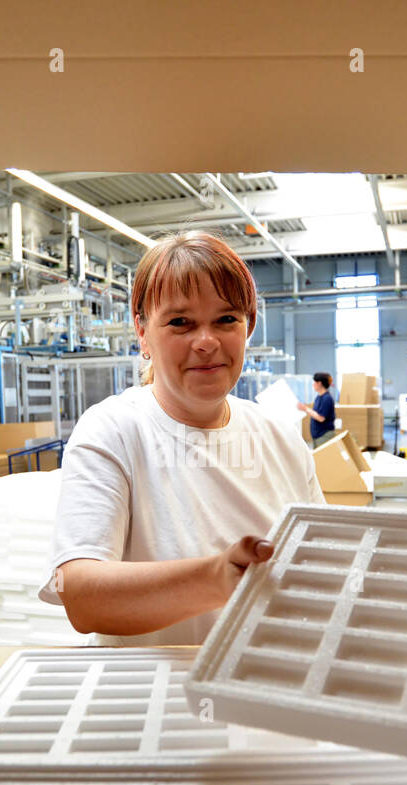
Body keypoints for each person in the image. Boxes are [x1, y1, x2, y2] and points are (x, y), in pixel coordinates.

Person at [38, 231, 325, 646]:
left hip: (265, 687)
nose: (207, 342)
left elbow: (326, 569)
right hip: (151, 697)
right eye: (180, 322)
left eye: (227, 319)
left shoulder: (283, 442)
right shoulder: (114, 430)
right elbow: (80, 595)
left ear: (248, 328)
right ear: (142, 332)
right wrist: (216, 578)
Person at [297, 372, 336, 448]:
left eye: (314, 382)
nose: (313, 384)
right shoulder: (318, 398)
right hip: (317, 435)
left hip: (324, 435)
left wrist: (306, 409)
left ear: (319, 383)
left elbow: (321, 418)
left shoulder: (327, 399)